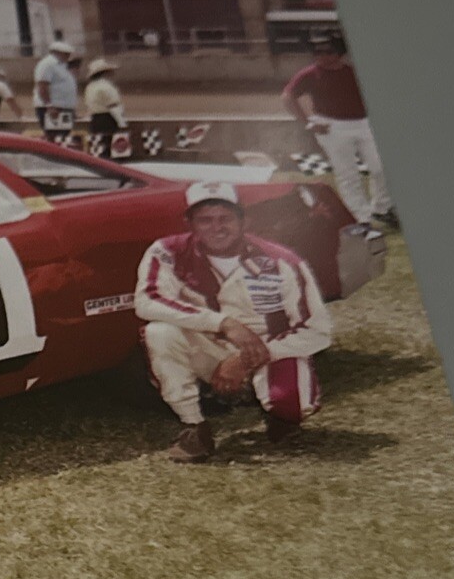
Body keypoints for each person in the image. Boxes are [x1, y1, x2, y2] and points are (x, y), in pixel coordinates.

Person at [134, 182, 333, 462]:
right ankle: (195, 427)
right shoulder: (167, 251)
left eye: (225, 218)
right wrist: (224, 323)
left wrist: (245, 360)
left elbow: (319, 330)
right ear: (190, 223)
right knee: (160, 332)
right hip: (211, 346)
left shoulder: (280, 260)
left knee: (291, 403)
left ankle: (281, 420)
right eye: (205, 220)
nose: (216, 227)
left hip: (267, 351)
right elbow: (147, 300)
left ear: (244, 220)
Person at [282, 32, 397, 228]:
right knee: (347, 172)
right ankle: (360, 216)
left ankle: (382, 208)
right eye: (317, 52)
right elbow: (288, 97)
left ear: (340, 53)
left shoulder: (354, 71)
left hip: (363, 123)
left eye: (328, 51)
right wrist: (308, 122)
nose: (322, 57)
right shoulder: (309, 74)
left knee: (380, 166)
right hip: (331, 126)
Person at [33, 38, 79, 138]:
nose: (68, 56)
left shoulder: (62, 66)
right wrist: (49, 105)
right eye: (66, 53)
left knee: (63, 136)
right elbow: (42, 86)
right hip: (54, 108)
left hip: (63, 108)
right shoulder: (47, 64)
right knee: (55, 136)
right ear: (57, 53)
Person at [83, 57, 127, 158]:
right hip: (107, 119)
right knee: (111, 147)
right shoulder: (107, 86)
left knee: (99, 148)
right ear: (105, 73)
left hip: (95, 119)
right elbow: (113, 106)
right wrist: (122, 123)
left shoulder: (90, 87)